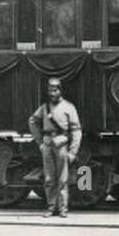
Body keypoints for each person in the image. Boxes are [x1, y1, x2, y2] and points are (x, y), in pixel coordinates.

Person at [28, 77, 82, 217]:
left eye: (55, 90)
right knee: (49, 179)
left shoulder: (69, 107)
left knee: (63, 179)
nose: (52, 93)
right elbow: (33, 121)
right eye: (50, 90)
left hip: (61, 145)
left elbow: (76, 130)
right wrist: (40, 142)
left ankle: (63, 209)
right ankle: (51, 208)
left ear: (60, 90)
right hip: (47, 145)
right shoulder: (45, 108)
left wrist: (73, 152)